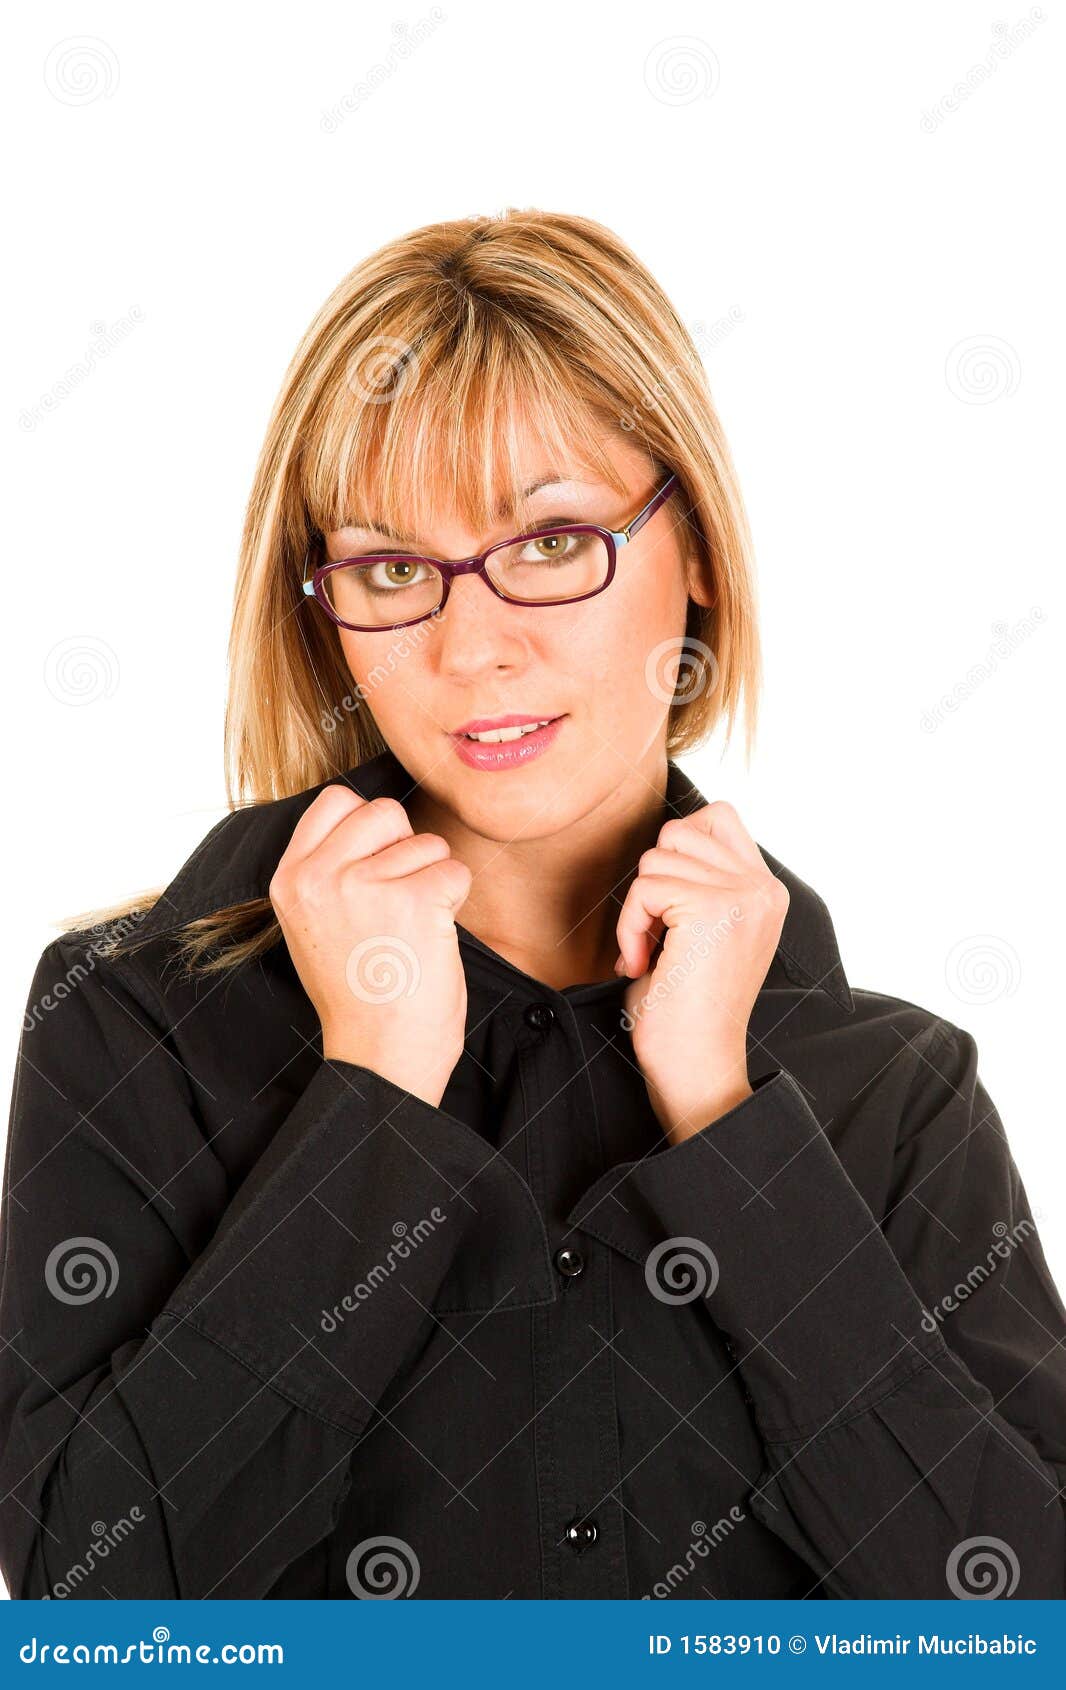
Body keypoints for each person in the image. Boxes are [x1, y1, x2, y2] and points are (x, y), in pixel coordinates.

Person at [1, 210, 1064, 1602]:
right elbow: (92, 1600)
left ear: (692, 550)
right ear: (323, 611)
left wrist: (732, 1131)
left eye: (552, 541)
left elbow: (1014, 1609)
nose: (471, 643)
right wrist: (371, 1096)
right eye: (390, 569)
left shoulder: (888, 1091)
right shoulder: (138, 1020)